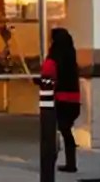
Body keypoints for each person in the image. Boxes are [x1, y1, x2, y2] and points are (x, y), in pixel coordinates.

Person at [41, 27, 81, 173]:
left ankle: (52, 161)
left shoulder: (55, 56)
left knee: (54, 132)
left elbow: (48, 75)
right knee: (66, 131)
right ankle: (70, 162)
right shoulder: (71, 55)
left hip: (60, 98)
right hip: (74, 100)